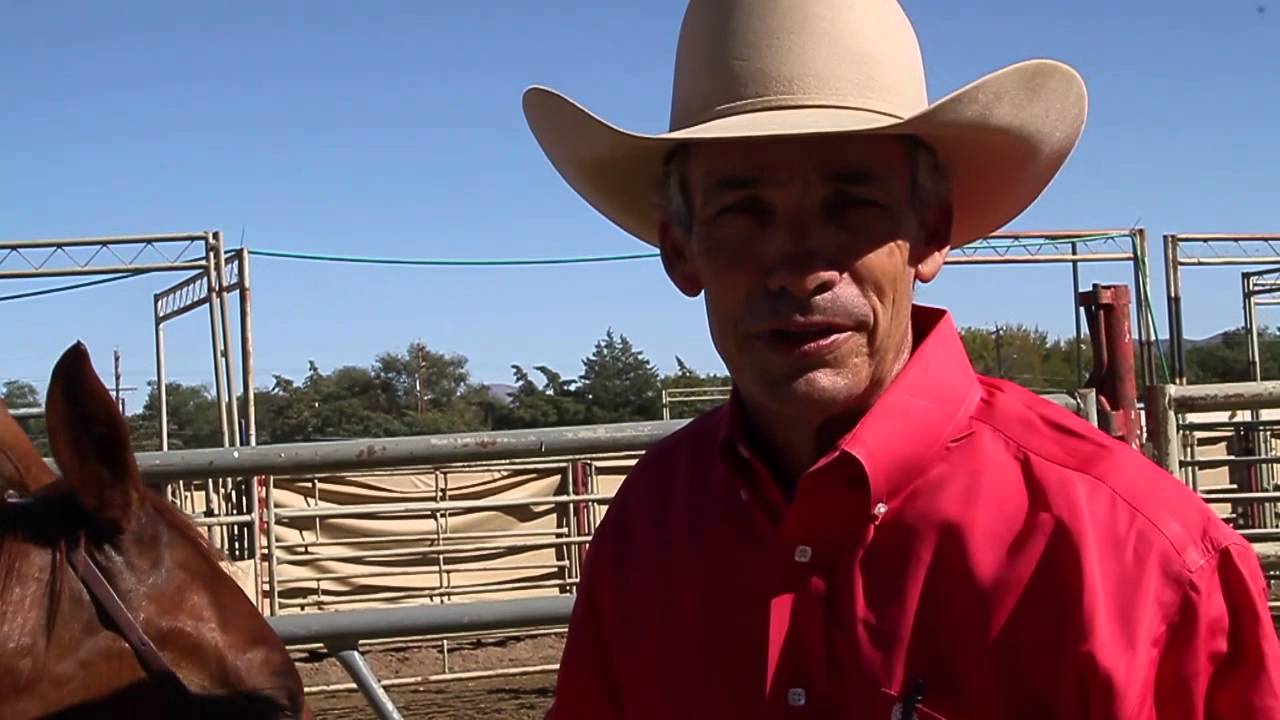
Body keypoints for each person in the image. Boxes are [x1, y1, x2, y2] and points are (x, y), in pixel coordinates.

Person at [521, 1, 1280, 717]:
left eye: (851, 204)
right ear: (681, 251)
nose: (797, 264)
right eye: (743, 211)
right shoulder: (651, 530)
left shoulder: (1136, 558)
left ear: (931, 233)